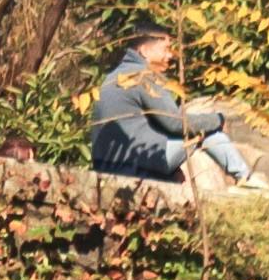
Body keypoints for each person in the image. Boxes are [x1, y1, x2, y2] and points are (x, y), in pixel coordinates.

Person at [88, 30, 257, 189]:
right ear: (145, 51)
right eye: (166, 49)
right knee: (210, 132)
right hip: (137, 160)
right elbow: (174, 123)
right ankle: (246, 180)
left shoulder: (114, 76)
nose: (170, 55)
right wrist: (218, 120)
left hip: (108, 163)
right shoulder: (144, 75)